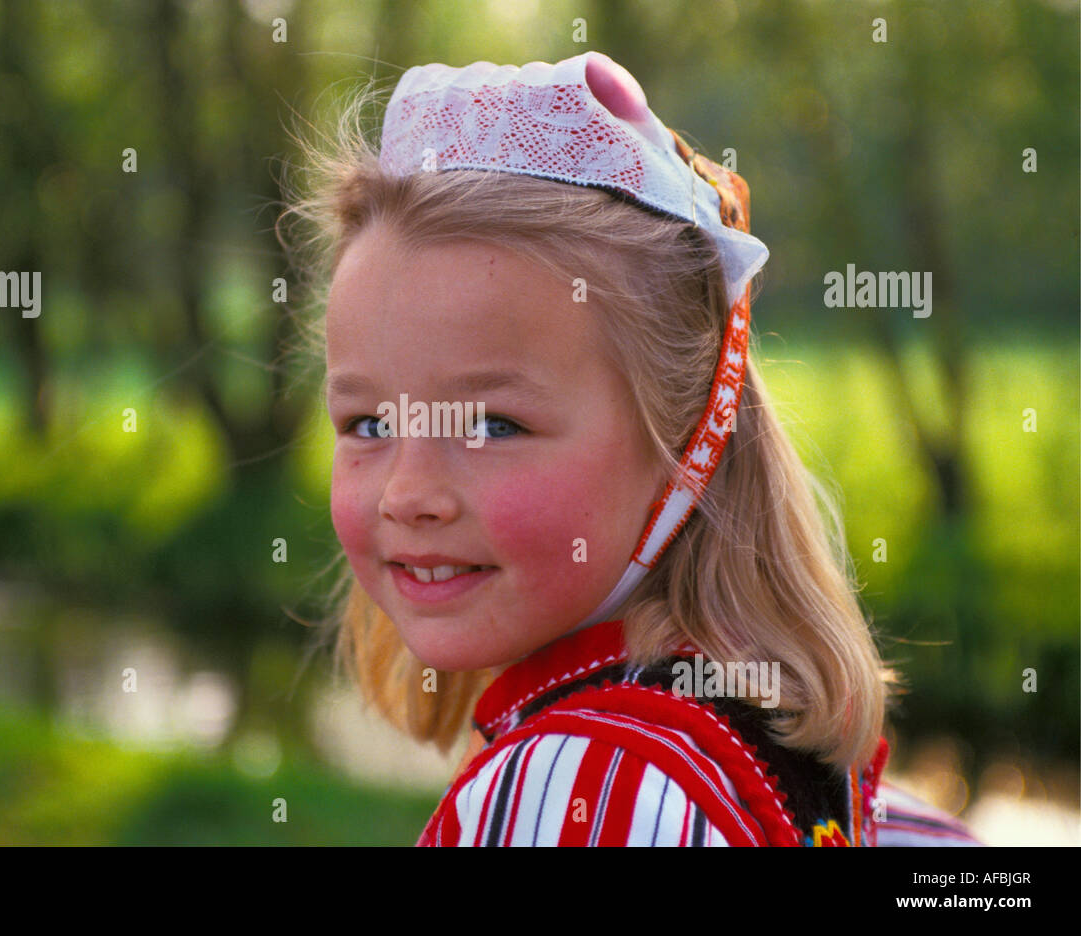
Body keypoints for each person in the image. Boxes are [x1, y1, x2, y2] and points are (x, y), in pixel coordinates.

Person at [278, 49, 982, 846]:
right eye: (369, 424)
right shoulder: (827, 782)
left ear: (685, 441)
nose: (406, 493)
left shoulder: (578, 792)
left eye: (491, 426)